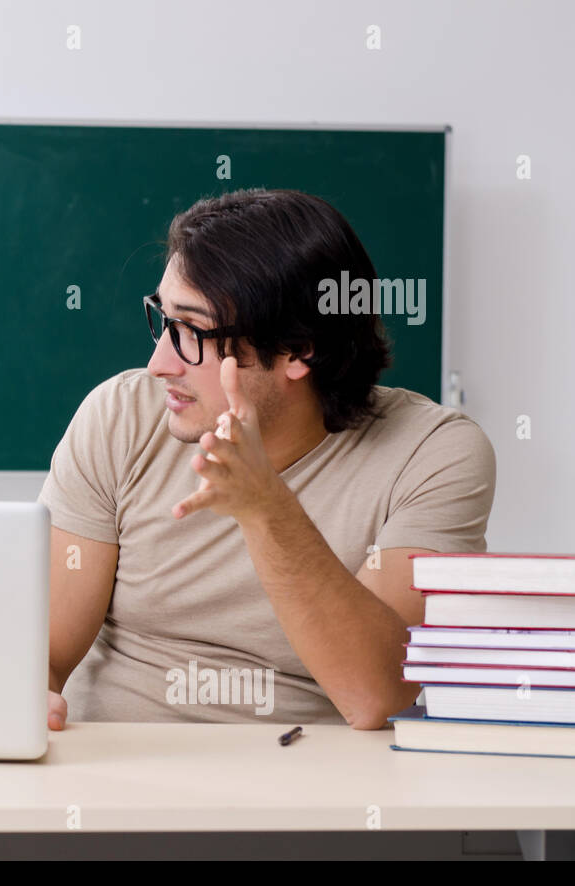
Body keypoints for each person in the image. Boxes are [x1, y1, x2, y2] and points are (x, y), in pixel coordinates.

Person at [42, 188, 495, 731]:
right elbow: (39, 656)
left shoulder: (434, 454)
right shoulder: (121, 417)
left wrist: (266, 508)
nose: (159, 362)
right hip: (113, 776)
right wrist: (22, 697)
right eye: (162, 320)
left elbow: (378, 694)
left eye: (191, 332)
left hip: (313, 794)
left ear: (297, 350)